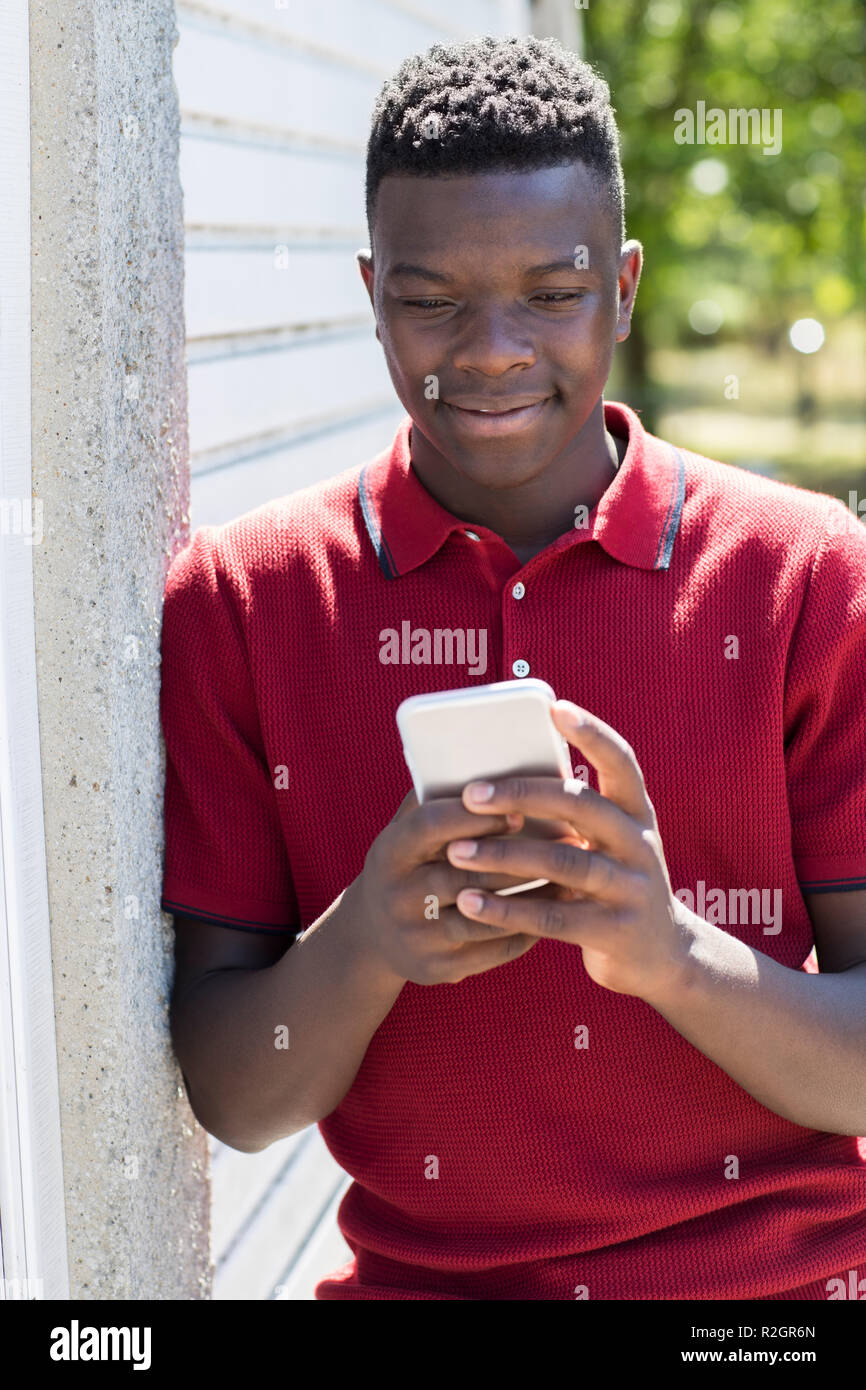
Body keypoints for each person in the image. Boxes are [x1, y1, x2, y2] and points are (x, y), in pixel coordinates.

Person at [162, 35, 866, 1300]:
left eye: (551, 291)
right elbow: (237, 1094)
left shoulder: (804, 577)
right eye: (433, 299)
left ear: (624, 288)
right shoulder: (243, 600)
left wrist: (666, 953)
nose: (490, 350)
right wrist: (362, 940)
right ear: (371, 293)